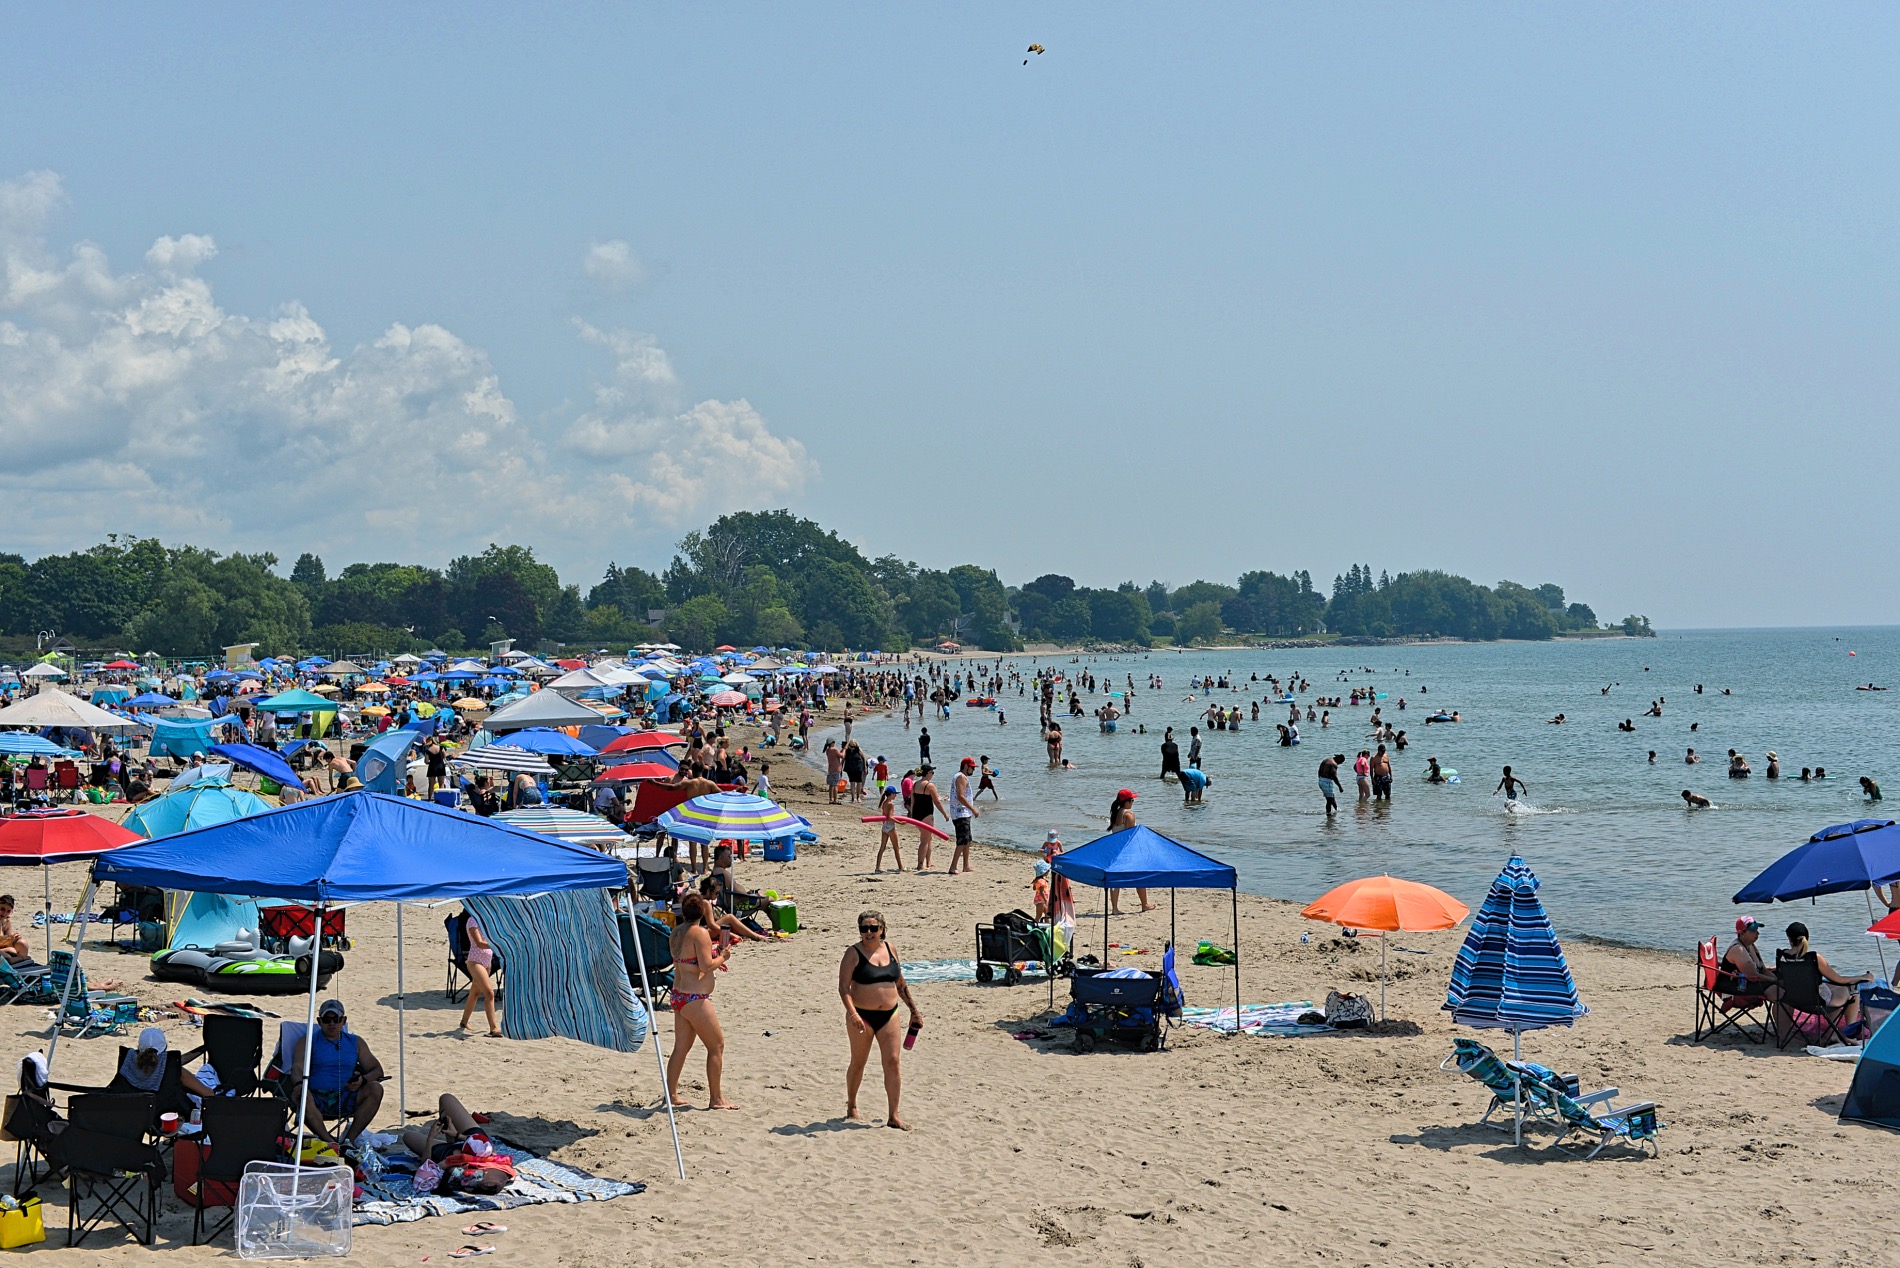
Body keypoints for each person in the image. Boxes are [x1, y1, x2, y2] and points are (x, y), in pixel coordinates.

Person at [838, 909, 920, 1130]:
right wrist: (853, 1013)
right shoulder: (853, 953)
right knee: (858, 1062)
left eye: (873, 928)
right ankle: (852, 1105)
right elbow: (844, 988)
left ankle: (893, 1115)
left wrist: (914, 1011)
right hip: (861, 1016)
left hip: (890, 1014)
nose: (869, 933)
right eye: (864, 929)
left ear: (882, 929)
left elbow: (900, 983)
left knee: (893, 1062)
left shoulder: (890, 949)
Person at [666, 895, 738, 1109]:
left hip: (679, 994)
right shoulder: (701, 933)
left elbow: (691, 962)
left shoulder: (676, 932)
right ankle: (716, 1099)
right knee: (716, 1046)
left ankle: (671, 1095)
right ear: (703, 913)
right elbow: (705, 966)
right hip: (694, 998)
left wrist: (714, 959)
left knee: (680, 1048)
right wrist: (722, 957)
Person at [291, 999, 386, 1149]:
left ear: (344, 1021)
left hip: (346, 1095)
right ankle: (329, 1141)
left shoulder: (356, 1042)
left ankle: (348, 1141)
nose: (332, 1023)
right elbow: (297, 1067)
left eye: (336, 1019)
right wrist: (298, 1084)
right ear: (319, 1021)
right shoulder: (308, 1041)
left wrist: (363, 1080)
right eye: (327, 1020)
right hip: (317, 1097)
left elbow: (377, 1070)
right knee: (302, 1094)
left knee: (376, 1088)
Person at [398, 1093, 513, 1197]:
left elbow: (425, 1167)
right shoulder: (487, 1153)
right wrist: (457, 1135)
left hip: (449, 1151)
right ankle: (451, 1134)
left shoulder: (454, 1165)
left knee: (408, 1136)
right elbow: (477, 1143)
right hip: (467, 1143)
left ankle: (451, 1136)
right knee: (446, 1099)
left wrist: (431, 1137)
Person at [1778, 921, 1872, 1041]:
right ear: (1807, 938)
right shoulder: (1814, 957)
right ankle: (1850, 1035)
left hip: (1794, 999)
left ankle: (1833, 1033)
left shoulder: (1782, 956)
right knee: (1852, 990)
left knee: (1830, 986)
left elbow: (1782, 979)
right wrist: (1862, 977)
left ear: (1789, 939)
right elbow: (1839, 979)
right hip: (1817, 1002)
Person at [456, 908, 502, 1037]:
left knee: (475, 993)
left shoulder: (486, 920)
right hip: (475, 961)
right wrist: (498, 944)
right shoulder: (472, 921)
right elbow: (479, 943)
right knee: (489, 993)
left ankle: (464, 1021)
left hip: (487, 960)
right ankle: (493, 1028)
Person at [1108, 789, 1154, 912]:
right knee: (1139, 876)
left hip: (1116, 850)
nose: (1133, 802)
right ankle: (1144, 904)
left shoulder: (1116, 813)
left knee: (1115, 879)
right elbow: (1131, 836)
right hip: (1127, 851)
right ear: (1127, 802)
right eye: (1132, 800)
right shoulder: (1129, 814)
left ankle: (1114, 908)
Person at [1722, 917, 1778, 1002]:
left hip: (1748, 983)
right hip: (1735, 988)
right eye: (1753, 930)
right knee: (1776, 990)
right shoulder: (1738, 949)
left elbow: (1763, 970)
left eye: (1757, 930)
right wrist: (1774, 980)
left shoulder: (1751, 945)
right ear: (1741, 933)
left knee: (1783, 979)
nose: (1757, 933)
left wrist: (1777, 979)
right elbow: (1753, 976)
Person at [909, 765, 948, 871]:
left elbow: (912, 801)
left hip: (917, 815)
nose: (933, 775)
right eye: (932, 773)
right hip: (926, 815)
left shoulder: (915, 784)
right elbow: (937, 802)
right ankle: (920, 864)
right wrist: (945, 814)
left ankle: (928, 862)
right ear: (928, 773)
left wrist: (912, 815)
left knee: (928, 838)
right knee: (924, 840)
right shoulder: (930, 786)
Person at [948, 758, 979, 874]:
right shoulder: (960, 777)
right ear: (966, 766)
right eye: (972, 768)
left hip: (963, 813)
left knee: (967, 840)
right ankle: (953, 866)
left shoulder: (960, 777)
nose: (973, 770)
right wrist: (973, 809)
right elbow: (960, 796)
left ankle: (966, 865)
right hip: (961, 813)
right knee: (962, 841)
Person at [872, 785, 904, 872]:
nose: (896, 796)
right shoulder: (890, 804)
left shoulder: (884, 803)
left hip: (885, 826)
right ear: (891, 794)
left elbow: (885, 817)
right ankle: (900, 867)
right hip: (890, 826)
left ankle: (877, 867)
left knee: (882, 847)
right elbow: (890, 817)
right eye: (895, 794)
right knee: (896, 848)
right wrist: (900, 822)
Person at [0, 896, 35, 966]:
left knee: (22, 944)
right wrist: (10, 939)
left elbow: (8, 938)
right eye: (2, 909)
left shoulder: (7, 921)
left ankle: (22, 968)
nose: (5, 913)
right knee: (11, 950)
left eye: (8, 911)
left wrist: (14, 938)